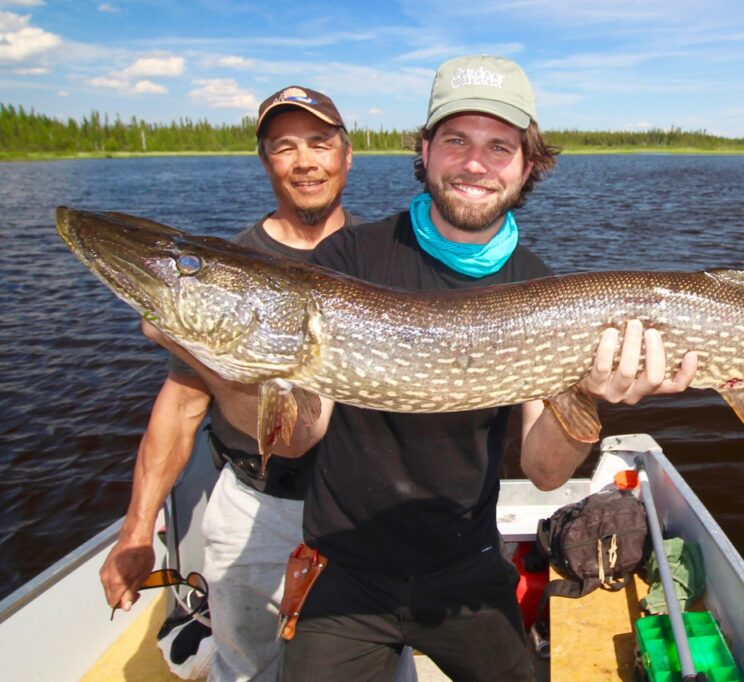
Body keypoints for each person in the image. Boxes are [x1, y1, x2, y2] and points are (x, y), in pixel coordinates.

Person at [277, 55, 700, 681]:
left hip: (465, 569)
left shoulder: (540, 287)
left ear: (528, 165)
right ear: (425, 150)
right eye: (456, 141)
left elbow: (544, 472)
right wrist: (229, 363)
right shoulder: (349, 258)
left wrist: (589, 398)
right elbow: (296, 438)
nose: (475, 164)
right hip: (346, 569)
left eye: (499, 146)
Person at [98, 85, 417, 681]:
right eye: (284, 147)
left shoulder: (388, 258)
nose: (305, 161)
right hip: (259, 503)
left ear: (348, 156)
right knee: (246, 668)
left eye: (320, 144)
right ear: (266, 160)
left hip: (369, 513)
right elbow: (180, 408)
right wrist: (138, 529)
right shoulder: (228, 266)